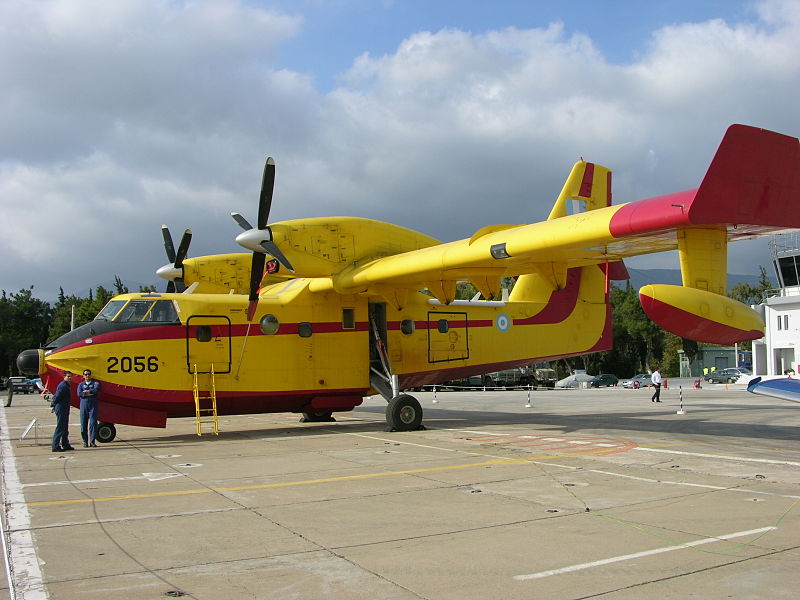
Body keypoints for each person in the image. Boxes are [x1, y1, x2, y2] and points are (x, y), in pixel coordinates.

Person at [51, 371, 74, 452]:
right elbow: (57, 396)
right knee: (60, 427)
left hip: (64, 408)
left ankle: (65, 444)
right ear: (64, 376)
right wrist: (53, 405)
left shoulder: (66, 385)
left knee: (64, 427)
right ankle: (55, 446)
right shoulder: (63, 386)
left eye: (71, 376)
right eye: (68, 376)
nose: (70, 378)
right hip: (61, 408)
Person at [77, 369, 100, 447]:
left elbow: (96, 390)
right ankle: (85, 441)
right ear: (83, 376)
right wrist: (90, 393)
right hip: (83, 406)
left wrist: (87, 392)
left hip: (93, 406)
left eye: (88, 374)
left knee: (93, 424)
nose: (87, 376)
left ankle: (92, 441)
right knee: (83, 425)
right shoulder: (80, 385)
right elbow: (79, 393)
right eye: (85, 374)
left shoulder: (95, 383)